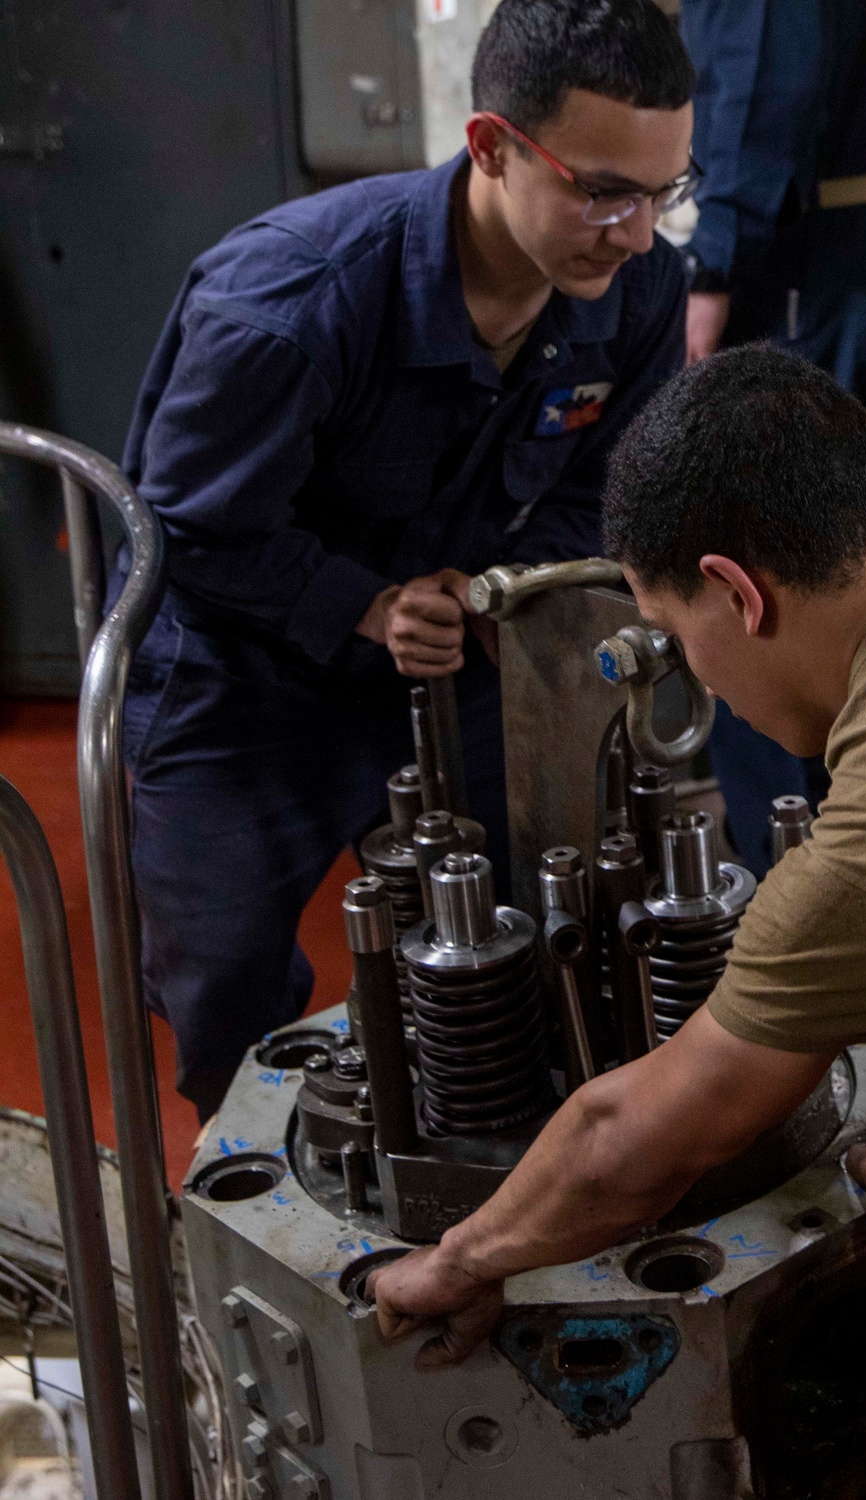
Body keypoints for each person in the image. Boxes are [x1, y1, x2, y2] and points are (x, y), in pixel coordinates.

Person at [114, 0, 698, 1122]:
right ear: (489, 146)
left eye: (661, 191)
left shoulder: (637, 295)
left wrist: (489, 596)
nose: (633, 232)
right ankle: (272, 1226)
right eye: (601, 191)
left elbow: (606, 496)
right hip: (245, 675)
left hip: (465, 657)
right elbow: (183, 526)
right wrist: (362, 604)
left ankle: (508, 1176)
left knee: (547, 922)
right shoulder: (289, 300)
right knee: (225, 978)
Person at [371, 345, 866, 1367]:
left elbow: (630, 1147)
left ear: (735, 593)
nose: (695, 679)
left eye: (669, 634)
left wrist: (462, 1258)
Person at [678, 0, 866, 878]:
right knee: (844, 569)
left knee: (771, 588)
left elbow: (757, 79)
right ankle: (850, 858)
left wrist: (714, 265)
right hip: (858, 253)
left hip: (801, 268)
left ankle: (796, 878)